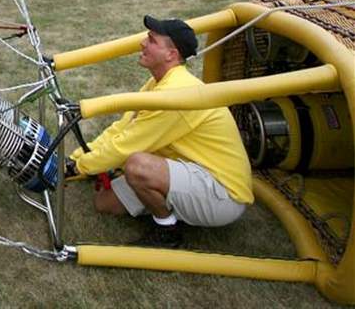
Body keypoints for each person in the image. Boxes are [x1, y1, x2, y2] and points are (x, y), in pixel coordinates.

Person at [65, 15, 254, 247]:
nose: (143, 43)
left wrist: (77, 168)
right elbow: (122, 128)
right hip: (191, 167)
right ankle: (168, 199)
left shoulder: (175, 93)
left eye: (152, 40)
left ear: (171, 55)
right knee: (104, 204)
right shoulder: (158, 82)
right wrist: (76, 160)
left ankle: (167, 230)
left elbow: (127, 146)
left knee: (136, 165)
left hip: (222, 193)